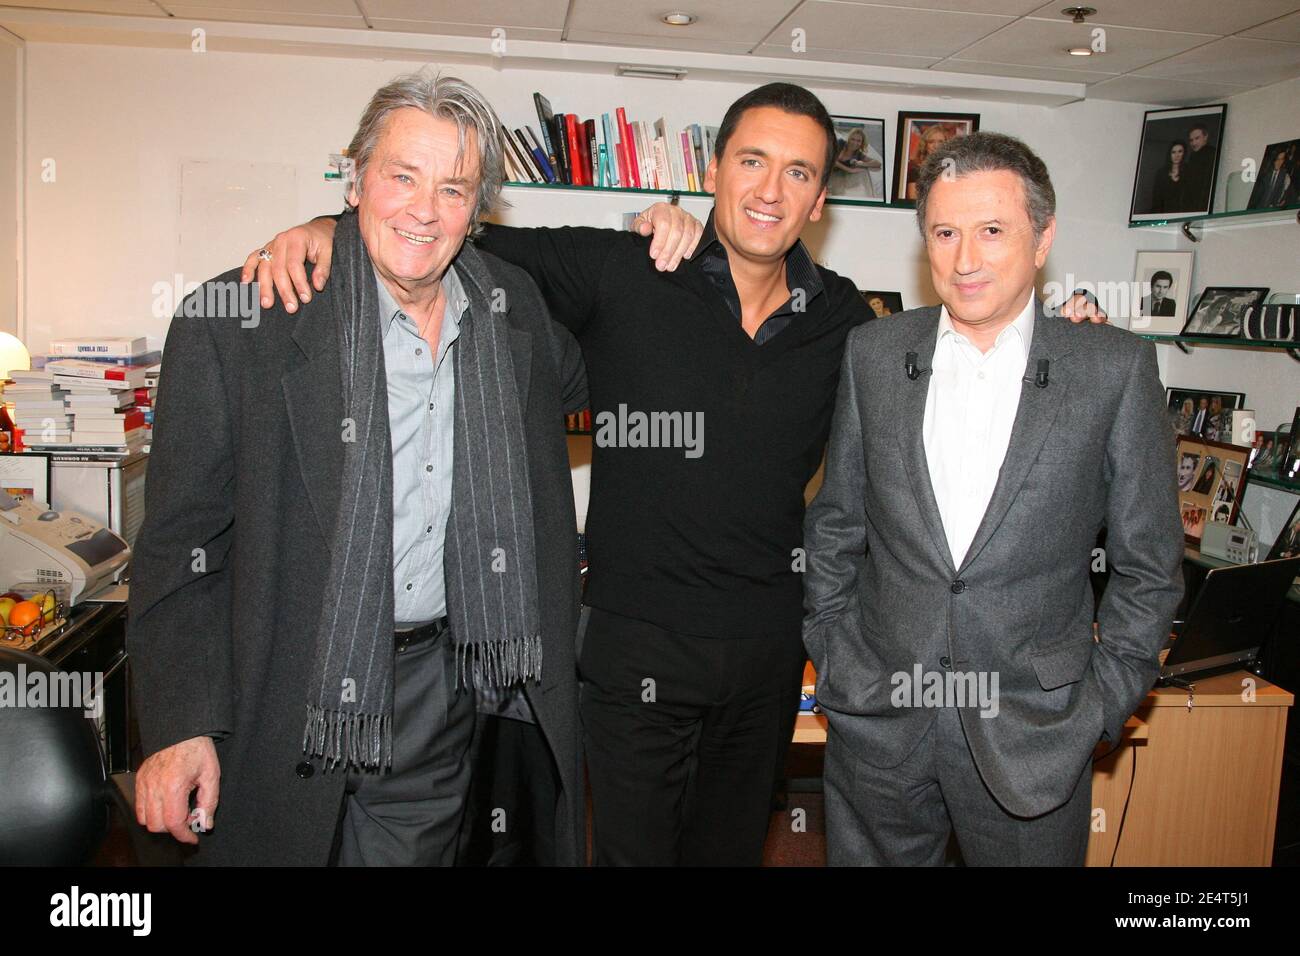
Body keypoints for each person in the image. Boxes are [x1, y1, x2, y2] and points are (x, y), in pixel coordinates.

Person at [245, 84, 1108, 867]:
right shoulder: (627, 268)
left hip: (766, 657)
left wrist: (1057, 329)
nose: (771, 190)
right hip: (631, 656)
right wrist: (326, 228)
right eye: (753, 162)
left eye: (799, 173)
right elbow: (446, 233)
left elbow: (963, 331)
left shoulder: (847, 322)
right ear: (716, 169)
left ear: (819, 199)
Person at [128, 73, 592, 865]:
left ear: (477, 211)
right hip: (278, 678)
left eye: (453, 189)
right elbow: (179, 545)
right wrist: (178, 724)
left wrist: (676, 237)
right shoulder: (239, 323)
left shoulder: (512, 315)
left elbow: (610, 367)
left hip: (434, 689)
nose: (423, 209)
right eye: (401, 177)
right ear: (354, 178)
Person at [802, 131, 1184, 866]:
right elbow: (837, 524)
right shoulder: (875, 355)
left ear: (1042, 240)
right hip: (881, 719)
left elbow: (1148, 566)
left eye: (992, 231)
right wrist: (835, 648)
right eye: (944, 232)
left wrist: (1103, 703)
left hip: (1036, 735)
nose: (965, 258)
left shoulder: (1113, 369)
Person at [829, 127, 883, 199]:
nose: (855, 143)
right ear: (849, 139)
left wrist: (862, 164)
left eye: (858, 141)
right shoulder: (840, 143)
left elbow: (878, 163)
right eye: (853, 139)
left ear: (862, 143)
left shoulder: (858, 155)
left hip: (836, 180)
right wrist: (849, 170)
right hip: (827, 174)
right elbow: (832, 160)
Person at [1183, 123, 1218, 211]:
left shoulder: (1211, 153)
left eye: (1197, 138)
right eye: (1191, 140)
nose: (1194, 143)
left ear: (1205, 136)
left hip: (1202, 204)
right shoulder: (1193, 156)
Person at [1149, 141, 1190, 213]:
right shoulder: (1161, 173)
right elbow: (1156, 199)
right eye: (1173, 152)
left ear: (1184, 153)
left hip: (1184, 213)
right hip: (1164, 214)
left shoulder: (1189, 171)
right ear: (1169, 154)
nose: (1177, 155)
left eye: (1180, 151)